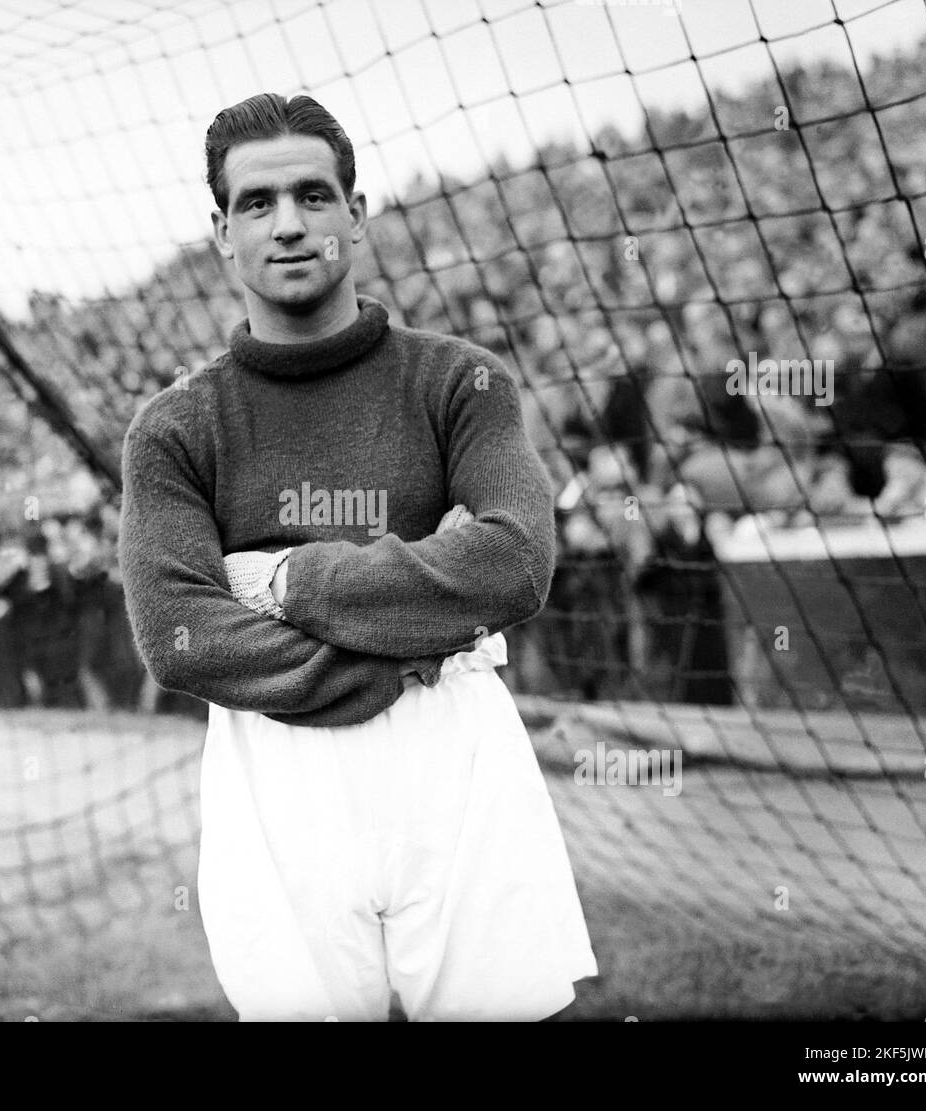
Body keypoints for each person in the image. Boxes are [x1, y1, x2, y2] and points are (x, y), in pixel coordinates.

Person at [117, 93, 596, 1021]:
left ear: (356, 213)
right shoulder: (174, 426)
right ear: (221, 232)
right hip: (278, 750)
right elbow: (179, 636)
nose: (288, 224)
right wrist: (404, 645)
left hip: (452, 738)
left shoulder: (460, 378)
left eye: (312, 195)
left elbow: (516, 561)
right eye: (256, 203)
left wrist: (291, 579)